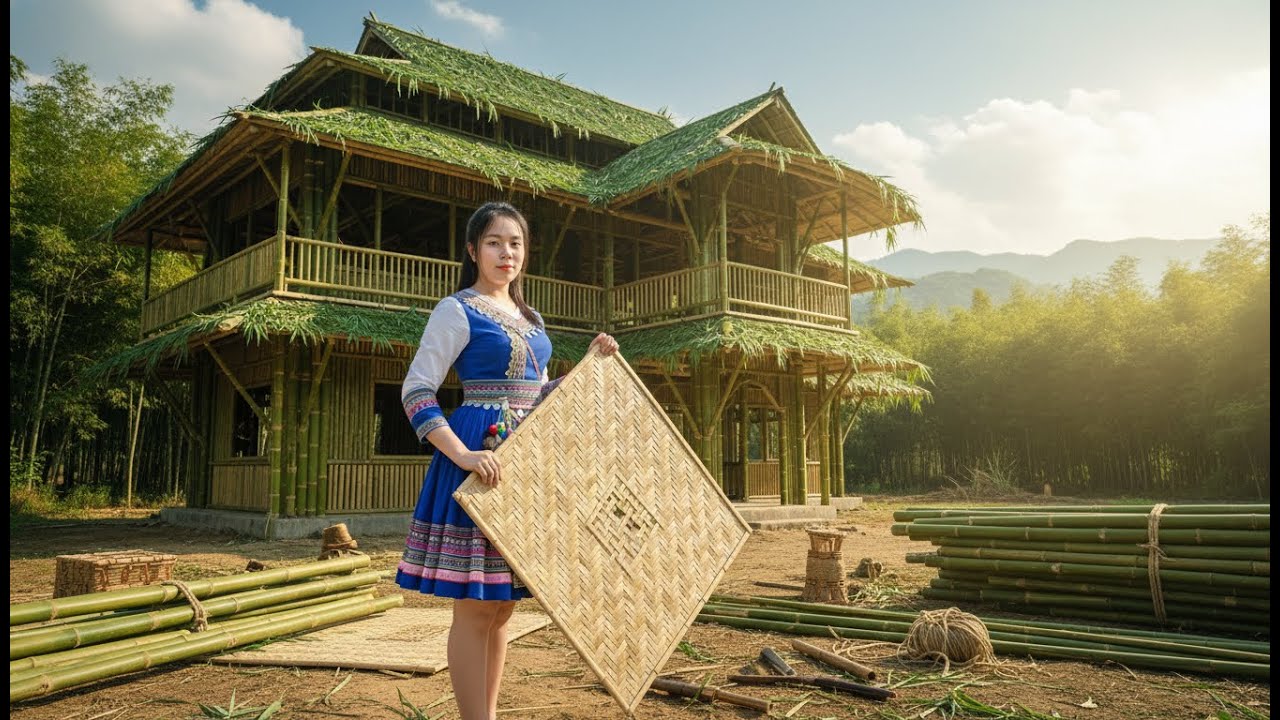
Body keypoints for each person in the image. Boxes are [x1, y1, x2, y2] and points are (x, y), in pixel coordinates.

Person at [396, 201, 619, 720]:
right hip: (479, 461)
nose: (506, 252)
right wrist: (463, 453)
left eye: (515, 243)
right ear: (473, 250)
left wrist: (589, 364)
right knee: (474, 608)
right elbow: (416, 390)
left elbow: (541, 396)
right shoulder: (457, 309)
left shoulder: (531, 318)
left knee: (502, 608)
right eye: (494, 242)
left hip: (526, 465)